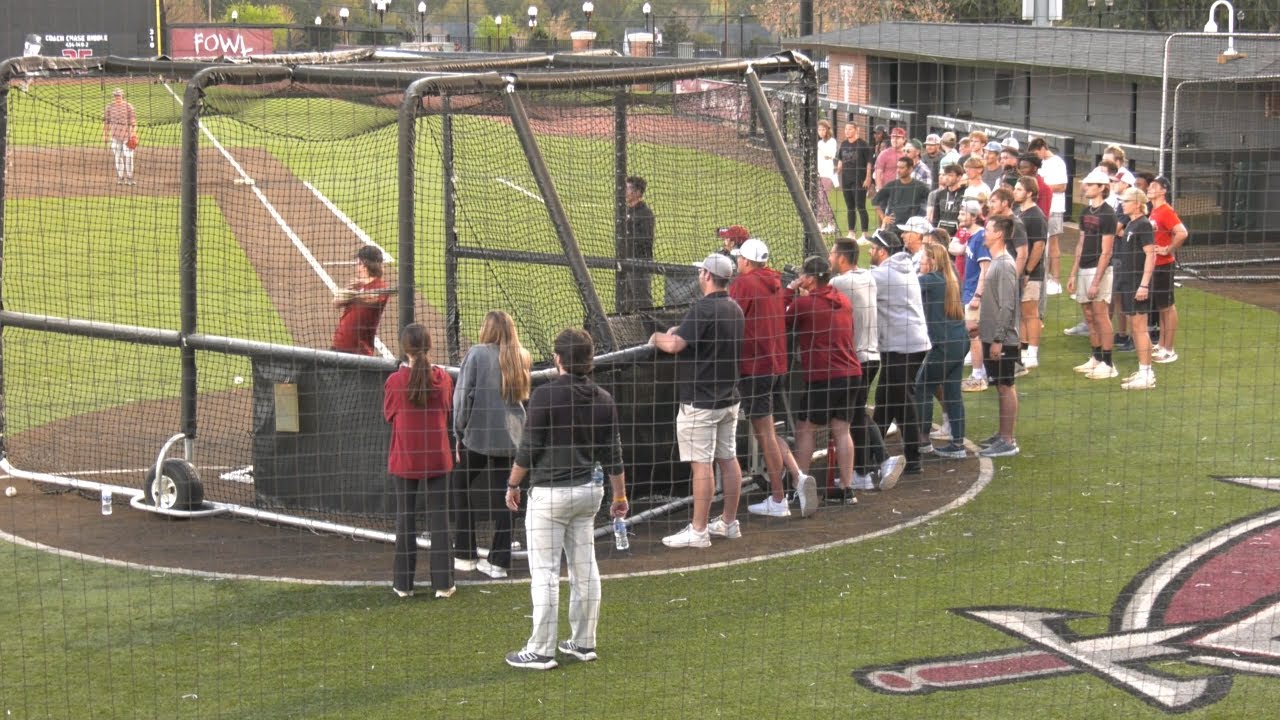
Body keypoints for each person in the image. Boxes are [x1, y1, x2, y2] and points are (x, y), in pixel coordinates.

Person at [504, 328, 627, 670]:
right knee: (584, 566)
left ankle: (541, 650)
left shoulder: (544, 396)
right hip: (589, 494)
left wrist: (513, 484)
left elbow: (529, 449)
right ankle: (584, 643)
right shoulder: (604, 398)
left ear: (558, 359)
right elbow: (614, 455)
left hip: (550, 496)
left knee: (544, 571)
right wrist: (620, 495)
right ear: (590, 360)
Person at [651, 253, 745, 548]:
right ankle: (729, 523)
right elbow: (700, 336)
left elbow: (675, 345)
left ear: (706, 275)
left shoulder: (702, 308)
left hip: (701, 402)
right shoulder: (734, 308)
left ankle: (699, 530)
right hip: (729, 399)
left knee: (701, 466)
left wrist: (656, 337)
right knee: (728, 459)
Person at [728, 238, 817, 518]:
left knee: (764, 432)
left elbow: (730, 316)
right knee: (768, 429)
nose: (737, 262)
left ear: (746, 261)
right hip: (777, 365)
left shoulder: (745, 284)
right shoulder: (774, 281)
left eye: (739, 258)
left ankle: (778, 498)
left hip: (756, 367)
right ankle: (797, 475)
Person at [451, 310, 531, 580]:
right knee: (509, 495)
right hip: (513, 439)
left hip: (479, 437)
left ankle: (465, 554)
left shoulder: (477, 353)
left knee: (459, 484)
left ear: (488, 329)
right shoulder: (521, 355)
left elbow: (461, 399)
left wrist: (458, 433)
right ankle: (499, 560)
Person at [383, 323, 455, 599]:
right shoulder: (444, 379)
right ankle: (444, 584)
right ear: (429, 345)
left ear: (405, 349)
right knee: (440, 520)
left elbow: (389, 415)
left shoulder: (394, 381)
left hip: (406, 459)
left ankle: (403, 584)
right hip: (437, 457)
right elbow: (447, 411)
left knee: (405, 519)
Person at [784, 255, 862, 503]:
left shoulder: (805, 304)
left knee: (805, 429)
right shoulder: (842, 299)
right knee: (841, 429)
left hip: (825, 375)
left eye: (803, 275)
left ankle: (800, 487)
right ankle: (847, 489)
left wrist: (789, 291)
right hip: (851, 373)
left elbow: (778, 320)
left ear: (809, 278)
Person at [829, 240, 904, 492]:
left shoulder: (839, 283)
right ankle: (867, 468)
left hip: (857, 357)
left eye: (832, 253)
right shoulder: (868, 277)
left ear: (841, 259)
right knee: (857, 412)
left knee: (853, 416)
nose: (829, 256)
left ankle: (876, 463)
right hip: (873, 355)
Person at [867, 228, 931, 476]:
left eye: (873, 248)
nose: (870, 252)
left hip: (902, 347)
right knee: (886, 398)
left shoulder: (884, 275)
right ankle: (872, 453)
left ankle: (914, 459)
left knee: (902, 401)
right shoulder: (901, 267)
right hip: (909, 344)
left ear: (883, 252)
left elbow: (856, 284)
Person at [914, 242, 968, 460]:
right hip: (959, 343)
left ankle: (922, 441)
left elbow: (905, 286)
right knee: (953, 394)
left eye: (923, 258)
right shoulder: (950, 279)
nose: (920, 262)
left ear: (933, 261)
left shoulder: (931, 280)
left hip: (944, 346)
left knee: (922, 387)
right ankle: (958, 445)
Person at [976, 216, 1021, 458]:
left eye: (988, 230)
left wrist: (998, 338)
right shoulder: (997, 262)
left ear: (999, 234)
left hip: (1001, 339)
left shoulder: (1004, 265)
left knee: (1006, 386)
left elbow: (1007, 306)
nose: (984, 233)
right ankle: (1002, 434)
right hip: (992, 335)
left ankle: (1008, 440)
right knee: (1000, 386)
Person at [1069, 168, 1119, 380]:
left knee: (1100, 315)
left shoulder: (1108, 215)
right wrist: (1073, 273)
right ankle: (1096, 357)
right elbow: (1080, 243)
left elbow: (1106, 251)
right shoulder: (1085, 212)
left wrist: (1096, 281)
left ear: (1102, 188)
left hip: (1100, 270)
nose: (1085, 187)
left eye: (1089, 185)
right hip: (1084, 269)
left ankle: (1108, 363)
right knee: (1089, 315)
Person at [1114, 188, 1158, 391]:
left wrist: (1144, 284)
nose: (1123, 204)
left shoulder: (1143, 225)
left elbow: (1151, 255)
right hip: (1128, 281)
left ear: (1138, 204)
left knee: (1140, 329)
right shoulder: (1132, 224)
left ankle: (1146, 373)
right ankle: (1144, 371)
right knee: (1136, 328)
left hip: (1136, 283)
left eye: (1127, 201)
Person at [1148, 176, 1187, 364]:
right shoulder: (1155, 211)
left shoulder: (1165, 211)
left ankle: (1169, 349)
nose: (1149, 189)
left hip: (1164, 265)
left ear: (1163, 190)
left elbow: (1182, 232)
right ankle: (1162, 344)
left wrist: (1168, 249)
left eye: (1153, 186)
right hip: (1156, 266)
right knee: (1161, 307)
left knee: (1167, 307)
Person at [1013, 176, 1048, 373]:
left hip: (1031, 273)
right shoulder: (1020, 212)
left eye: (1019, 189)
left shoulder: (1036, 215)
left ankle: (1033, 353)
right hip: (1021, 271)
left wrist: (1027, 270)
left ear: (1029, 192)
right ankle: (1024, 348)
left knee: (1030, 312)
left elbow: (1039, 245)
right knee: (1022, 313)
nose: (1015, 192)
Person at [956, 201, 991, 393]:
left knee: (974, 334)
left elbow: (985, 269)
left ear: (974, 216)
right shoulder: (972, 236)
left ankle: (978, 376)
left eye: (963, 214)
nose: (960, 217)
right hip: (968, 291)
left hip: (974, 294)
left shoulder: (980, 238)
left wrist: (977, 295)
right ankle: (982, 373)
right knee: (974, 335)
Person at [331, 245, 390, 355]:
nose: (357, 266)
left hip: (359, 351)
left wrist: (354, 295)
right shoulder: (356, 286)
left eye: (358, 262)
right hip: (339, 344)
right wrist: (347, 291)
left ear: (364, 264)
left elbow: (371, 299)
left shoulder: (380, 286)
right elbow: (335, 303)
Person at [1028, 137, 1068, 296]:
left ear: (1043, 148)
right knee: (1040, 242)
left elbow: (1062, 186)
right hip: (1040, 207)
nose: (1036, 156)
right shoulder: (1039, 164)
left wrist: (1040, 188)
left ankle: (1056, 280)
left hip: (1055, 208)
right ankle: (1045, 277)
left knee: (1053, 243)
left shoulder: (1057, 162)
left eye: (1036, 152)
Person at [619, 175, 655, 312]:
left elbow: (646, 240)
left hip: (640, 263)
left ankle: (649, 331)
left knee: (642, 302)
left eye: (627, 189)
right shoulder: (627, 211)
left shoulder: (645, 214)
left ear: (638, 192)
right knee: (627, 302)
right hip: (626, 261)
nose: (624, 192)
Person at [836, 122, 874, 242]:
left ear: (856, 130)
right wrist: (839, 169)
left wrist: (868, 178)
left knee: (860, 206)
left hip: (859, 180)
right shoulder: (843, 144)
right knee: (850, 207)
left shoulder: (863, 145)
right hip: (846, 179)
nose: (847, 131)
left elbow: (869, 163)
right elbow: (840, 160)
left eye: (850, 129)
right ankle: (851, 232)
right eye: (846, 129)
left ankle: (865, 235)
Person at [873, 156, 929, 230]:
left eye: (902, 168)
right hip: (893, 227)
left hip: (912, 227)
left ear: (910, 169)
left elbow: (932, 202)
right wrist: (883, 218)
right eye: (897, 167)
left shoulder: (920, 187)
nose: (898, 170)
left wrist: (923, 217)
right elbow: (875, 201)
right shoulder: (891, 185)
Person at [103, 87, 137, 185]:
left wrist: (133, 133)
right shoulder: (109, 107)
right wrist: (105, 135)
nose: (117, 97)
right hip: (114, 136)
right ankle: (120, 177)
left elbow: (133, 122)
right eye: (116, 95)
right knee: (118, 157)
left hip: (127, 136)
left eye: (119, 95)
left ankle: (130, 178)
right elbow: (106, 122)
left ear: (122, 96)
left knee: (129, 157)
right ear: (114, 96)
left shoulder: (129, 107)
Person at [815, 119, 839, 235]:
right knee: (818, 199)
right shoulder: (819, 143)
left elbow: (831, 155)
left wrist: (820, 148)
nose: (821, 132)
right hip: (818, 173)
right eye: (819, 129)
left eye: (823, 129)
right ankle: (819, 223)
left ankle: (831, 224)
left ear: (827, 130)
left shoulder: (832, 141)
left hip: (827, 174)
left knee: (824, 199)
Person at [874, 126, 907, 192]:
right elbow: (878, 173)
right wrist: (879, 190)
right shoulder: (884, 154)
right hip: (888, 191)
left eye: (897, 137)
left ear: (904, 139)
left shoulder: (908, 153)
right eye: (893, 137)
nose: (894, 140)